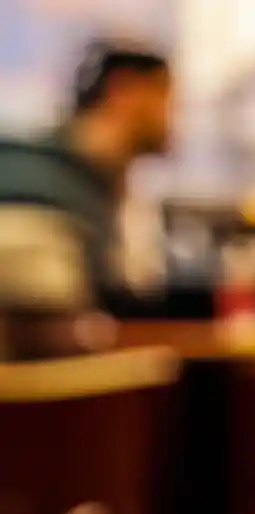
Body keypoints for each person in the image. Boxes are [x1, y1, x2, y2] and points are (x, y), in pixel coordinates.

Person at [0, 40, 172, 360]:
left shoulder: (101, 184)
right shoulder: (38, 189)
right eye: (168, 98)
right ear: (125, 91)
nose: (175, 118)